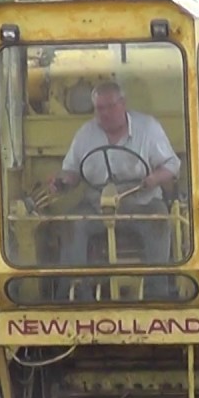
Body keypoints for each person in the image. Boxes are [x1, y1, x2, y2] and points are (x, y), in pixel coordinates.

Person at [46, 79, 181, 300]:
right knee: (72, 224)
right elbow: (72, 172)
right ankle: (76, 292)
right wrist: (62, 182)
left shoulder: (148, 128)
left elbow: (172, 165)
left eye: (110, 107)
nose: (105, 113)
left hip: (142, 203)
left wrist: (153, 179)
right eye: (100, 108)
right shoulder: (85, 134)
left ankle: (157, 292)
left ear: (123, 103)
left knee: (159, 222)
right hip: (97, 205)